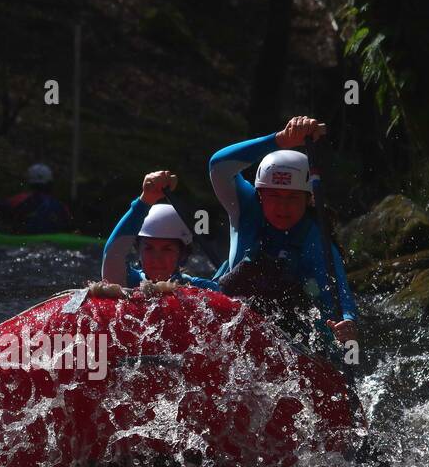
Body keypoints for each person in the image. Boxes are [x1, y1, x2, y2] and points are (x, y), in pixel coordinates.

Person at [208, 116, 358, 351]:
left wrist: (347, 322)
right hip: (229, 322)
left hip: (287, 338)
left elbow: (339, 296)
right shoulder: (245, 208)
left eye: (292, 198)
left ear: (309, 200)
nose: (282, 208)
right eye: (274, 196)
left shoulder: (315, 241)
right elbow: (219, 165)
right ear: (260, 195)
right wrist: (280, 140)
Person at [100, 170, 219, 291]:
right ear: (139, 251)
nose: (157, 258)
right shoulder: (128, 281)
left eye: (167, 249)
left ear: (183, 254)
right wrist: (145, 200)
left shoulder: (201, 290)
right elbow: (112, 256)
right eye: (148, 248)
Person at [0, 162, 74, 234]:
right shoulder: (61, 206)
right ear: (50, 183)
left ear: (30, 182)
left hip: (25, 242)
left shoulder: (20, 199)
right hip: (55, 244)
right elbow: (69, 226)